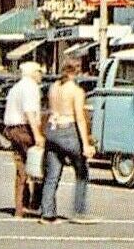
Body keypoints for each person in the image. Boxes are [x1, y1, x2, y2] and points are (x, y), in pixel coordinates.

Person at [40, 57, 96, 224]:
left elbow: (48, 110)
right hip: (68, 130)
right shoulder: (76, 91)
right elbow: (79, 117)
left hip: (52, 129)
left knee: (52, 175)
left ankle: (47, 213)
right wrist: (86, 144)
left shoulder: (53, 87)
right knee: (81, 171)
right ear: (77, 71)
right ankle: (79, 211)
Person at [1, 61, 46, 218]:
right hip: (24, 129)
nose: (41, 74)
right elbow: (29, 112)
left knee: (21, 169)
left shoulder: (16, 87)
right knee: (40, 166)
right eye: (39, 71)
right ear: (33, 73)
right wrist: (38, 135)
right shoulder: (30, 87)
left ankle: (20, 207)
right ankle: (36, 204)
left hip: (12, 130)